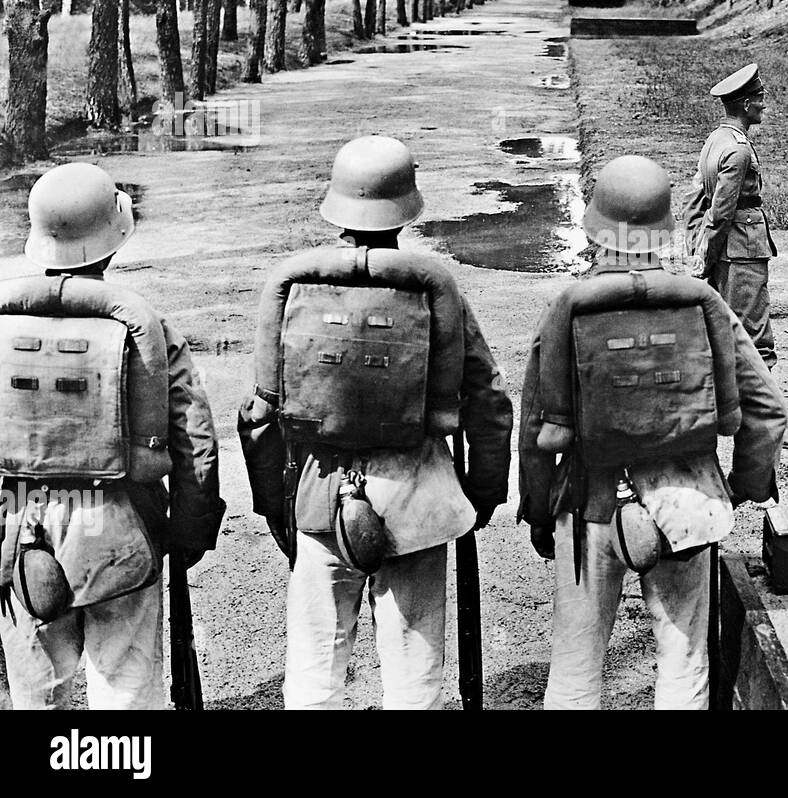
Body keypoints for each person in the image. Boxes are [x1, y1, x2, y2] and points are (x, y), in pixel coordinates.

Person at [239, 135, 512, 709]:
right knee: (415, 671)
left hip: (319, 493)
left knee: (315, 663)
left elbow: (261, 413)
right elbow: (487, 403)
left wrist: (274, 505)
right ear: (406, 207)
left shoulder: (295, 286)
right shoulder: (438, 289)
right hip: (418, 493)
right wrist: (482, 493)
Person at [519, 155, 786, 710]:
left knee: (575, 663)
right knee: (684, 660)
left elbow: (535, 426)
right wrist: (744, 484)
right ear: (664, 229)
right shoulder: (703, 302)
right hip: (686, 500)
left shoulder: (566, 308)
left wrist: (540, 510)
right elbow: (768, 410)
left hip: (590, 505)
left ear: (595, 229)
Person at [0, 163, 225, 709]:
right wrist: (189, 531)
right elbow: (194, 439)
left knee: (35, 684)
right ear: (113, 237)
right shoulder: (144, 328)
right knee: (125, 681)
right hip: (122, 523)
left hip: (15, 520)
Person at [683, 63, 788, 450]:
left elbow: (693, 202)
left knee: (727, 332)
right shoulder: (737, 149)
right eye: (761, 101)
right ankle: (766, 426)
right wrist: (703, 259)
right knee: (756, 339)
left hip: (725, 251)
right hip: (742, 251)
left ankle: (727, 412)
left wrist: (696, 247)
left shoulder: (714, 140)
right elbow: (720, 212)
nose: (765, 107)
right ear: (747, 104)